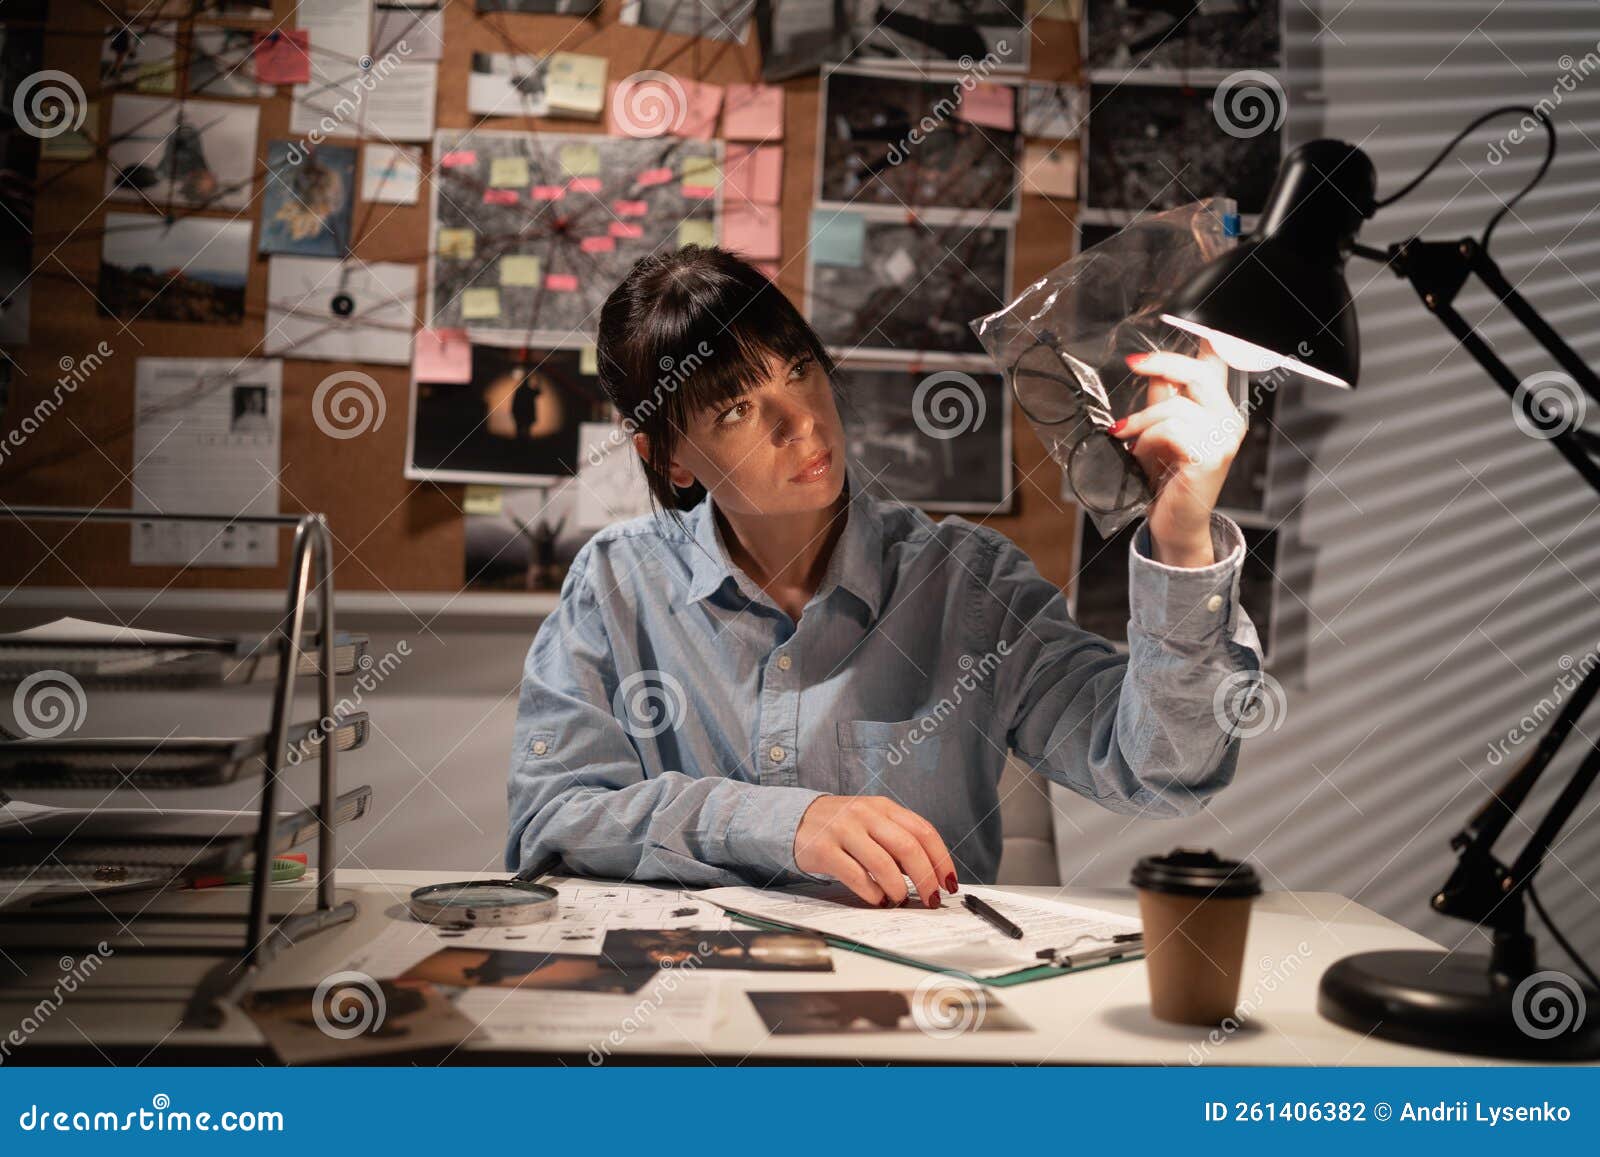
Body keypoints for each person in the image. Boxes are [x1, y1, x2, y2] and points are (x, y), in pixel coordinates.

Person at [505, 246, 1264, 909]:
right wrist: (788, 823)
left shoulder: (969, 585)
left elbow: (1163, 768)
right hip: (684, 1025)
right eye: (737, 406)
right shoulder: (616, 583)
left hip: (917, 1024)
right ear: (668, 457)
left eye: (799, 369)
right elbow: (551, 820)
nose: (798, 419)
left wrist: (1182, 539)